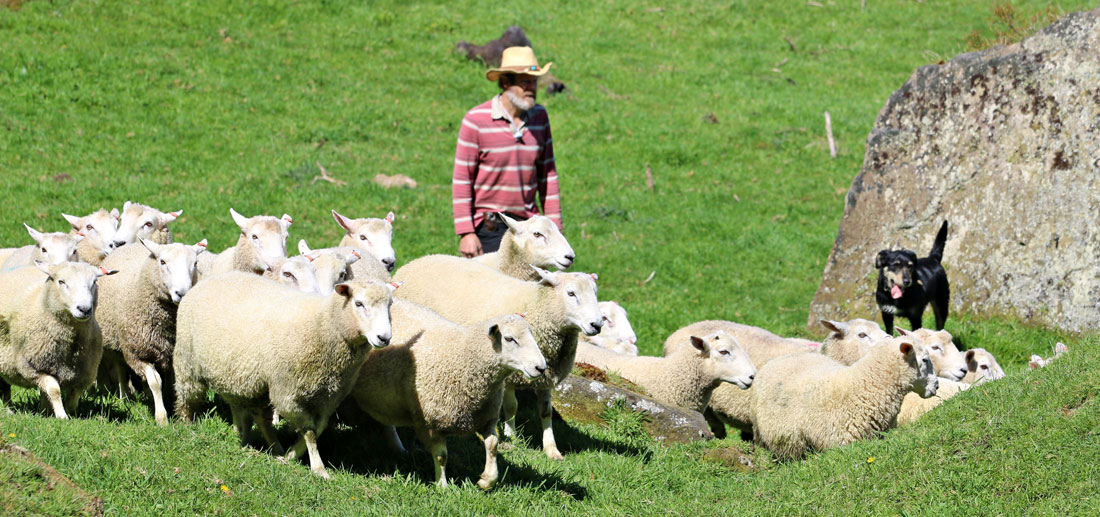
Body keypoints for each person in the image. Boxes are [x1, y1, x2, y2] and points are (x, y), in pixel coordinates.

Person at [452, 46, 562, 257]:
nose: (531, 87)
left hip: (530, 227)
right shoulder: (476, 120)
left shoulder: (540, 118)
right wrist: (466, 233)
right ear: (505, 83)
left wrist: (555, 227)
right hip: (489, 227)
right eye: (524, 82)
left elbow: (548, 175)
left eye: (534, 81)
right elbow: (462, 179)